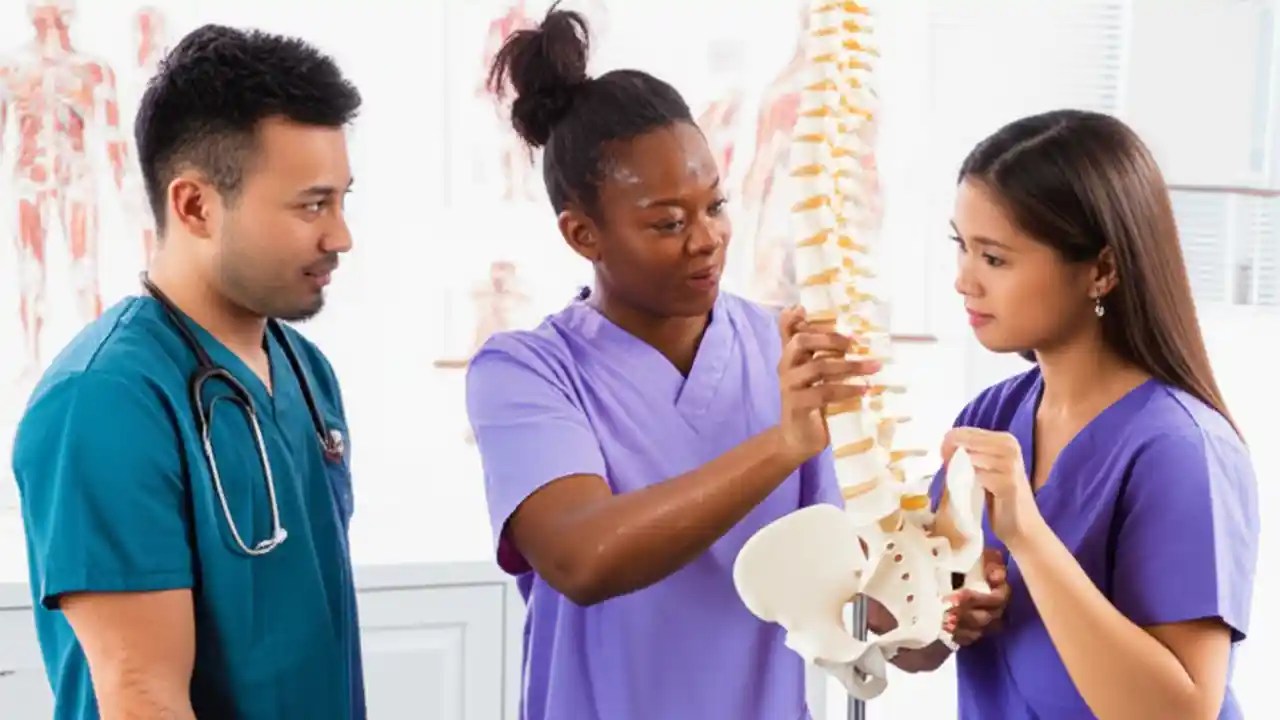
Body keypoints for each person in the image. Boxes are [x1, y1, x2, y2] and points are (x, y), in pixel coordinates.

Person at [464, 7, 1007, 719]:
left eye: (715, 204)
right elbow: (582, 561)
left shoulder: (787, 352)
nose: (708, 239)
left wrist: (949, 611)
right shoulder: (526, 372)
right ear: (582, 233)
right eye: (668, 221)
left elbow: (883, 619)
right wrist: (783, 444)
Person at [10, 24, 365, 719]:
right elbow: (142, 695)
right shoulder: (104, 402)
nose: (341, 236)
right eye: (312, 204)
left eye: (344, 199)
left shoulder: (304, 370)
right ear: (195, 205)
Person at [920, 109, 1259, 719]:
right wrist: (945, 611)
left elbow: (1182, 714)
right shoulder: (991, 418)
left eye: (994, 259)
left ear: (1100, 270)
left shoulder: (1180, 449)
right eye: (961, 248)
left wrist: (1027, 537)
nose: (964, 282)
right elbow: (909, 651)